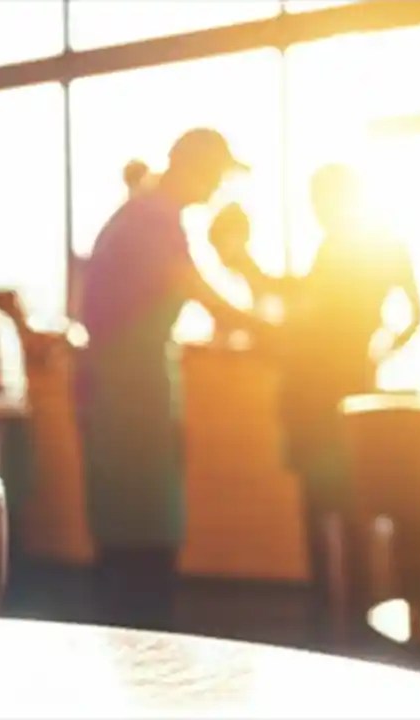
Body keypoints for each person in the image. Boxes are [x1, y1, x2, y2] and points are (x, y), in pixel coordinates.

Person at [76, 128, 260, 631]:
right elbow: (195, 289)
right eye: (218, 175)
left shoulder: (147, 215)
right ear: (193, 167)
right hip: (128, 392)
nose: (219, 188)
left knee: (133, 525)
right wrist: (271, 331)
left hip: (134, 386)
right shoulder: (152, 220)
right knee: (140, 537)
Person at [271, 163, 420, 639]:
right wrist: (379, 348)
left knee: (332, 501)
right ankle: (349, 613)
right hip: (346, 382)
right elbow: (415, 315)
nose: (319, 211)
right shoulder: (375, 245)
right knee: (337, 500)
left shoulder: (344, 248)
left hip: (325, 389)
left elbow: (312, 319)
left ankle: (337, 614)